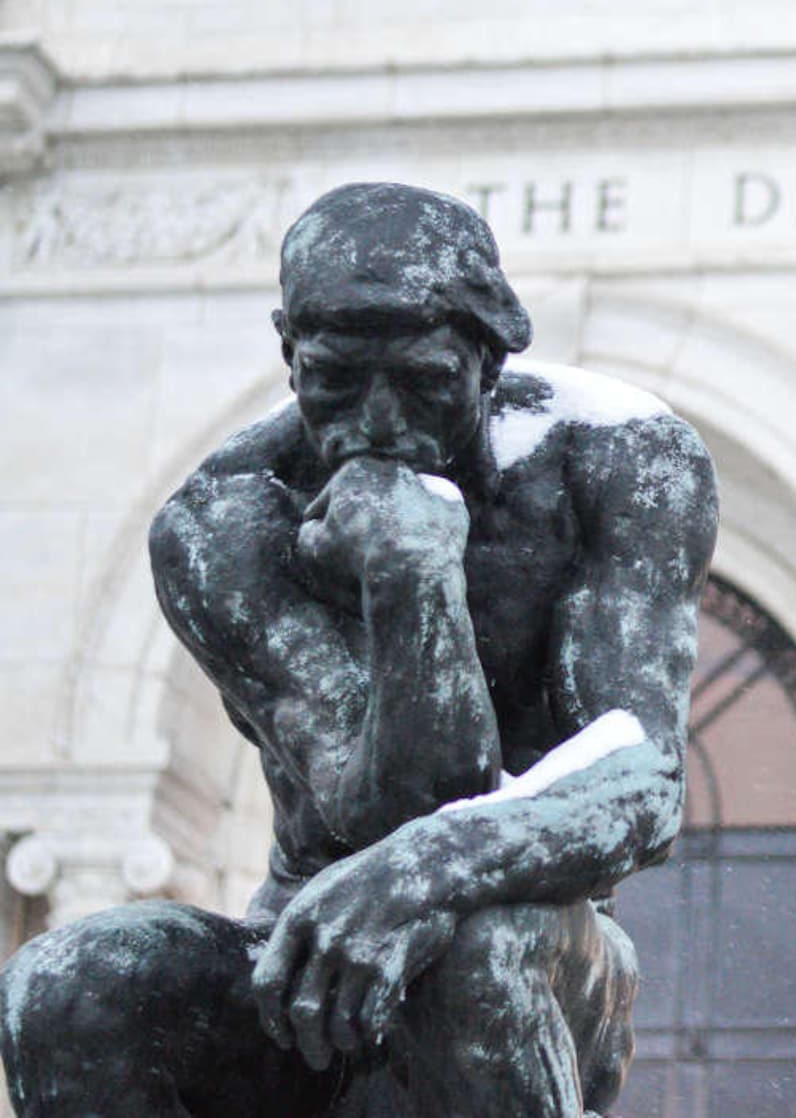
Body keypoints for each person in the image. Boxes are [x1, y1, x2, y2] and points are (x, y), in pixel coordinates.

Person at [0, 182, 717, 1117]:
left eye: (424, 382)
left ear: (488, 361)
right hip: (310, 947)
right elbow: (391, 801)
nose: (378, 424)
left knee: (468, 942)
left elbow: (644, 783)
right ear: (289, 354)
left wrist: (422, 873)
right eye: (335, 380)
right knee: (69, 984)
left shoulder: (622, 461)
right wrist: (409, 572)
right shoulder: (222, 524)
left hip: (543, 949)